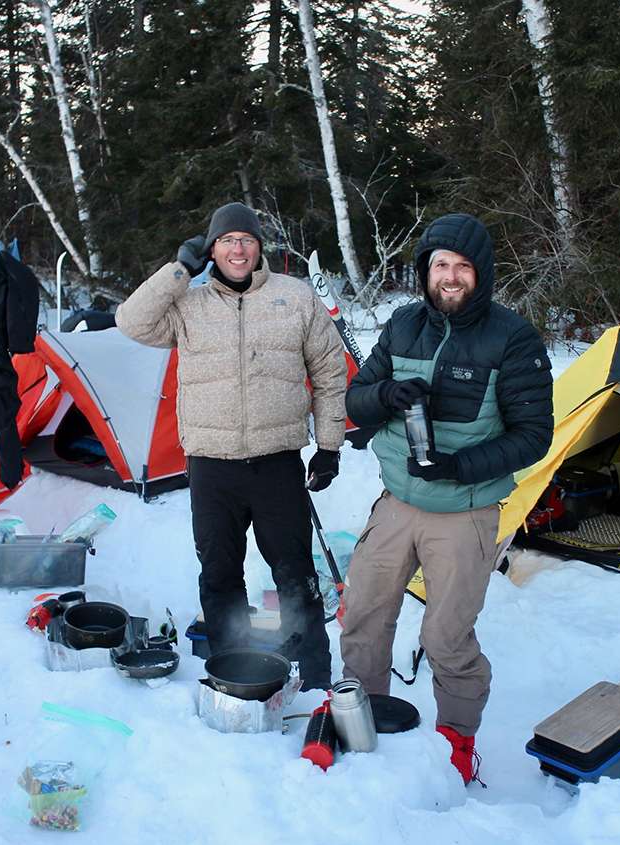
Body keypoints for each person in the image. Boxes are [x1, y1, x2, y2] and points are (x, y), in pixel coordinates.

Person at [339, 213, 554, 783]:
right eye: (441, 265)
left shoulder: (512, 339)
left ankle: (457, 741)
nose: (451, 277)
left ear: (480, 274)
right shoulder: (403, 326)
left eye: (463, 267)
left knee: (445, 635)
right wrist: (386, 392)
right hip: (396, 504)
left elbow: (534, 436)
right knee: (362, 615)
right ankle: (361, 717)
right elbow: (355, 400)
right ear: (425, 271)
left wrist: (458, 466)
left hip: (465, 513)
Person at [115, 202, 348, 689]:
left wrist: (328, 446)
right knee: (219, 572)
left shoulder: (296, 297)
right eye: (226, 240)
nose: (237, 248)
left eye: (246, 239)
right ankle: (229, 667)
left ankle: (314, 674)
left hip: (277, 463)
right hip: (212, 467)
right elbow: (131, 322)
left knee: (294, 573)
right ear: (212, 249)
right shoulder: (188, 304)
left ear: (259, 246)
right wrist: (179, 270)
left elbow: (328, 372)